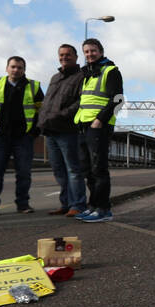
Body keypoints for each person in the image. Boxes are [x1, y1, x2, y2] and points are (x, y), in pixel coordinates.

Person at [0, 56, 43, 217]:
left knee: (24, 173)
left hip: (23, 137)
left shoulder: (34, 87)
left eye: (19, 67)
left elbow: (42, 110)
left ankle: (23, 204)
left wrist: (35, 131)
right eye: (13, 67)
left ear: (24, 70)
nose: (16, 70)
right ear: (7, 68)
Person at [75, 38, 123, 222]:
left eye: (93, 51)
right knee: (88, 170)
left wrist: (99, 120)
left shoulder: (110, 71)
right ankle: (93, 206)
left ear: (101, 51)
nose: (89, 54)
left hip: (98, 126)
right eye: (86, 52)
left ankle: (104, 210)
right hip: (83, 125)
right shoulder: (87, 73)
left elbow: (118, 99)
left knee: (99, 169)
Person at [36, 44, 87, 216]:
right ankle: (65, 204)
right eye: (61, 54)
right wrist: (42, 120)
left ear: (76, 57)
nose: (64, 57)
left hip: (67, 129)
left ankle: (78, 205)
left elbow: (81, 102)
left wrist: (61, 115)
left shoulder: (81, 76)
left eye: (68, 55)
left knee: (73, 169)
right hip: (50, 130)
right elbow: (47, 102)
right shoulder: (55, 77)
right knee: (59, 171)